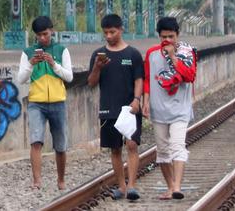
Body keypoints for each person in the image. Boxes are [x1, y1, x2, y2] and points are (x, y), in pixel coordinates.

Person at [88, 13, 144, 202]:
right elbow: (91, 83)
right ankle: (121, 186)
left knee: (132, 144)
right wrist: (97, 67)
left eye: (112, 32)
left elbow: (139, 79)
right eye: (106, 33)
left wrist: (137, 99)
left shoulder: (133, 54)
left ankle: (132, 186)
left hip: (129, 108)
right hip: (108, 108)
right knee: (115, 148)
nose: (109, 36)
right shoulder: (98, 55)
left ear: (121, 29)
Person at [16, 16, 74, 190]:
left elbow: (69, 77)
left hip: (58, 102)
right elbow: (21, 79)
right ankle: (37, 181)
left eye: (45, 34)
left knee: (61, 145)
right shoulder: (28, 53)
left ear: (52, 31)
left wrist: (53, 64)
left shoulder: (62, 50)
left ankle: (61, 180)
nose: (42, 38)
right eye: (38, 35)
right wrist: (31, 64)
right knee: (36, 141)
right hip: (36, 103)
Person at [143, 16, 197, 200]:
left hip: (180, 110)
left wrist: (173, 57)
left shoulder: (187, 52)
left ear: (178, 35)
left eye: (171, 36)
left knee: (177, 146)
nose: (167, 41)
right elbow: (148, 79)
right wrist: (145, 101)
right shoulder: (151, 54)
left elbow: (190, 75)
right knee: (163, 150)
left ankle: (177, 187)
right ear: (159, 36)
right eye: (164, 37)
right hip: (159, 109)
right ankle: (170, 186)